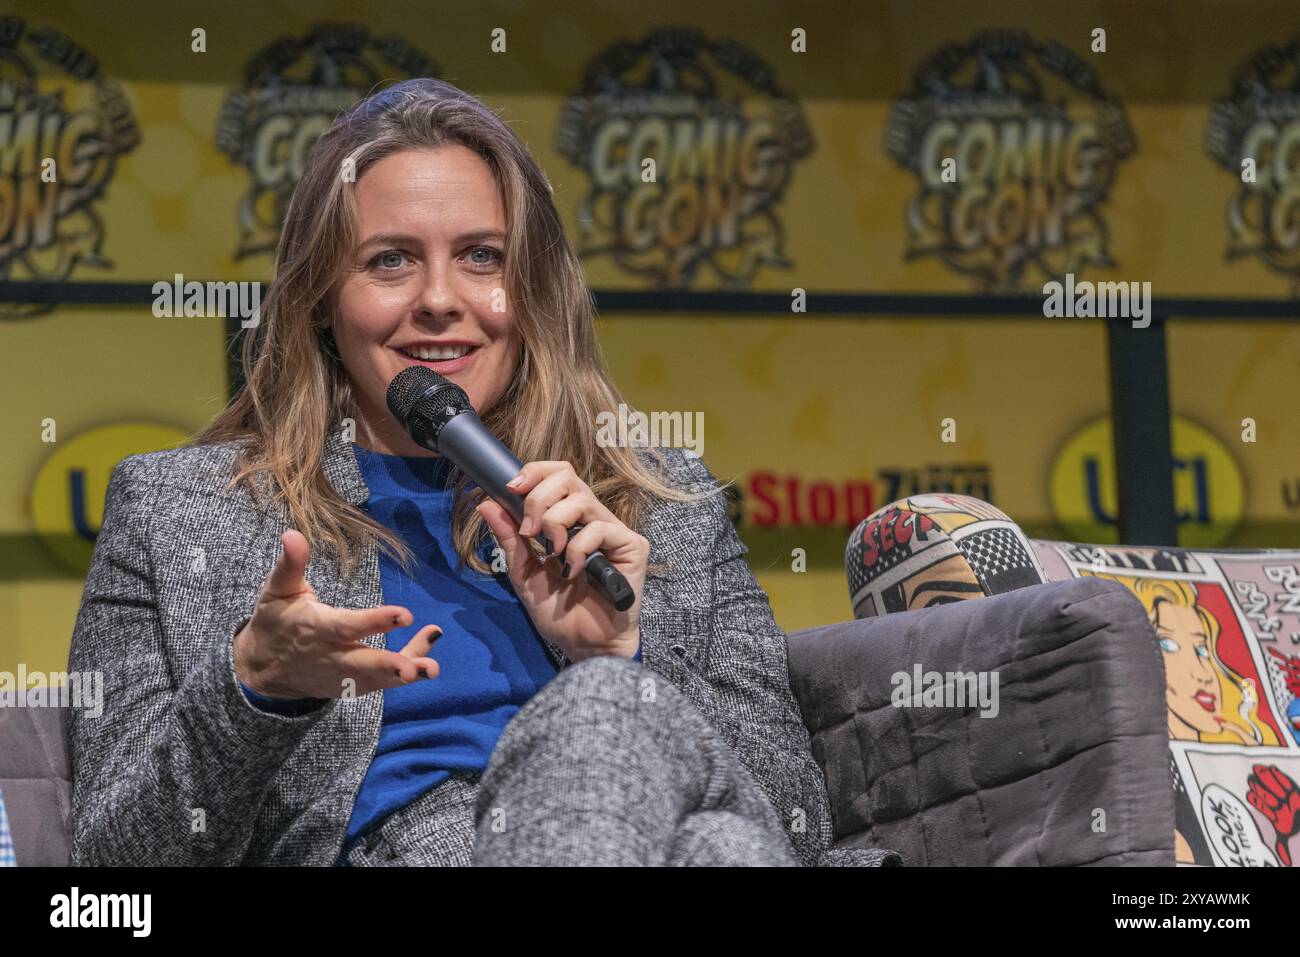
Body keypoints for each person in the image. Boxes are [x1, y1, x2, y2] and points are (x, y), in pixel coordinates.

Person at [66, 77, 900, 867]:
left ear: (533, 288)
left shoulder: (659, 502)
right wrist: (254, 688)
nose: (439, 298)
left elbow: (790, 823)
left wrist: (623, 656)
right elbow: (110, 870)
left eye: (481, 256)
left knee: (682, 800)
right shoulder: (177, 511)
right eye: (389, 260)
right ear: (320, 297)